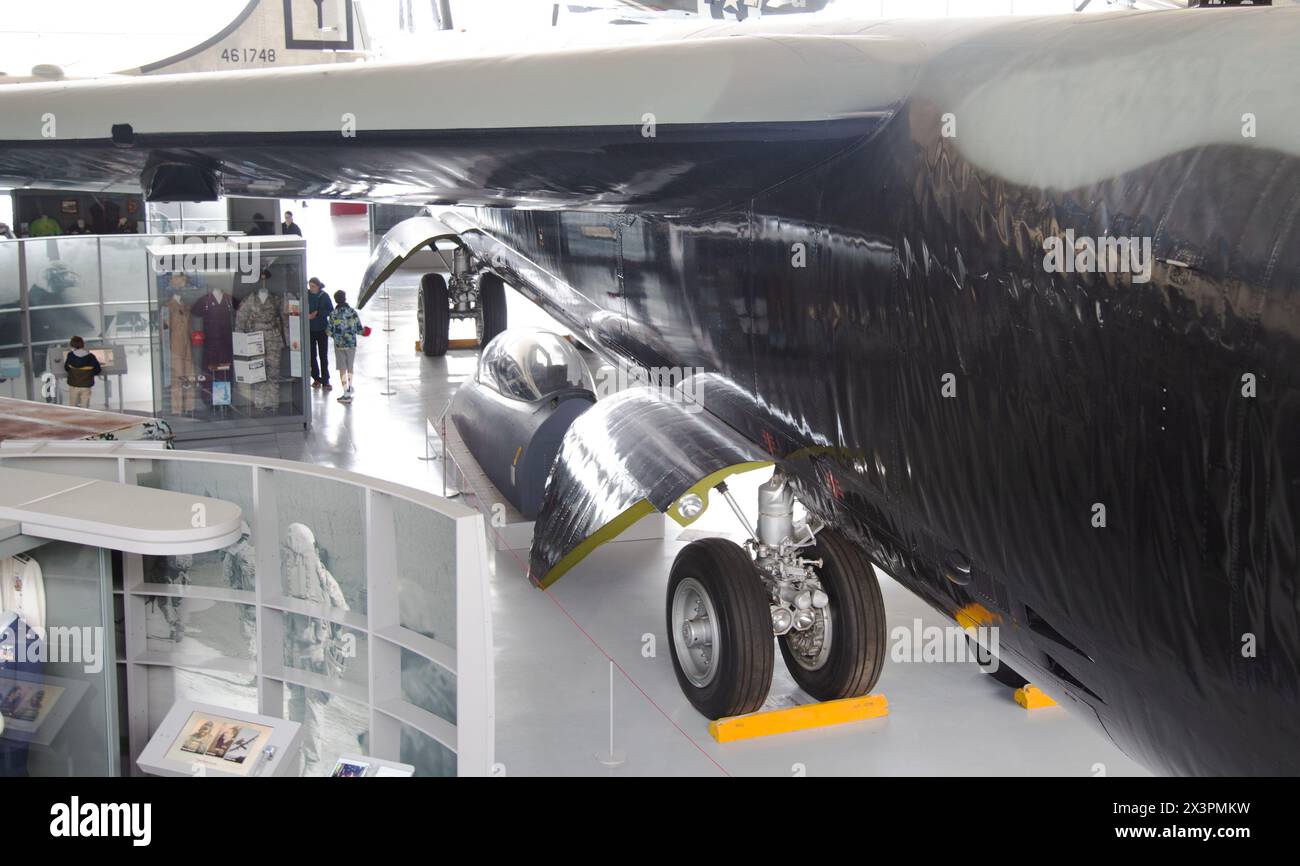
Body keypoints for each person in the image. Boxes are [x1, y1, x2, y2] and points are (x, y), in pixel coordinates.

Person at [326, 289, 364, 403]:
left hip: (339, 345)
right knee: (350, 366)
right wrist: (365, 332)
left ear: (335, 300)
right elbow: (359, 329)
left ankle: (346, 392)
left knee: (342, 368)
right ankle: (350, 386)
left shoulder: (333, 314)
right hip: (351, 343)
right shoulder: (352, 312)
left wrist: (335, 336)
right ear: (345, 298)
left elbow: (328, 331)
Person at [306, 277, 333, 391]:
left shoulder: (324, 296)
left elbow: (330, 310)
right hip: (310, 330)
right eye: (310, 286)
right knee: (312, 355)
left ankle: (326, 380)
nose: (311, 288)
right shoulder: (306, 295)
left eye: (313, 286)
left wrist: (317, 313)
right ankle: (316, 378)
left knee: (323, 355)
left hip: (322, 329)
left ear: (318, 286)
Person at [63, 335, 100, 408]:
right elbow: (97, 370)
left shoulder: (70, 355)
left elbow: (66, 368)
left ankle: (74, 419)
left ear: (72, 345)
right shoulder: (91, 356)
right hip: (86, 385)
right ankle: (85, 418)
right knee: (85, 406)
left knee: (73, 406)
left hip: (74, 385)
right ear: (83, 344)